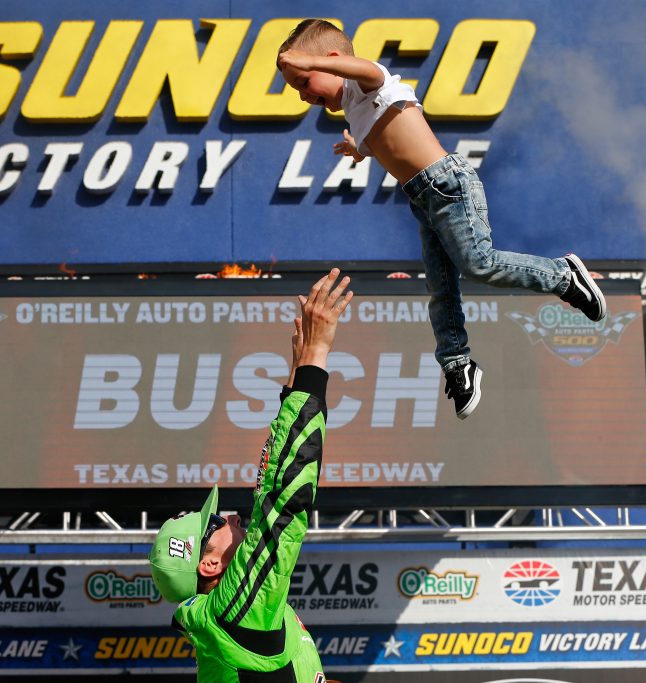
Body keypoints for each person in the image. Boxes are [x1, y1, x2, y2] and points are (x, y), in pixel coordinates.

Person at [276, 19, 607, 419]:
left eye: (304, 82)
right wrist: (359, 146)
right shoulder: (354, 108)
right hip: (424, 199)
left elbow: (364, 70)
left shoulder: (370, 82)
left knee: (478, 263)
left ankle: (564, 276)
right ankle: (458, 363)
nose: (302, 96)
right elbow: (387, 137)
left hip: (447, 185)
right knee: (440, 287)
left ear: (332, 61)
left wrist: (304, 57)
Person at [148, 268, 352, 683]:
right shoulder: (232, 612)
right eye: (216, 524)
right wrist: (315, 359)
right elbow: (281, 501)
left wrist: (294, 386)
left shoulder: (236, 614)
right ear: (208, 564)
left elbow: (269, 490)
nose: (228, 516)